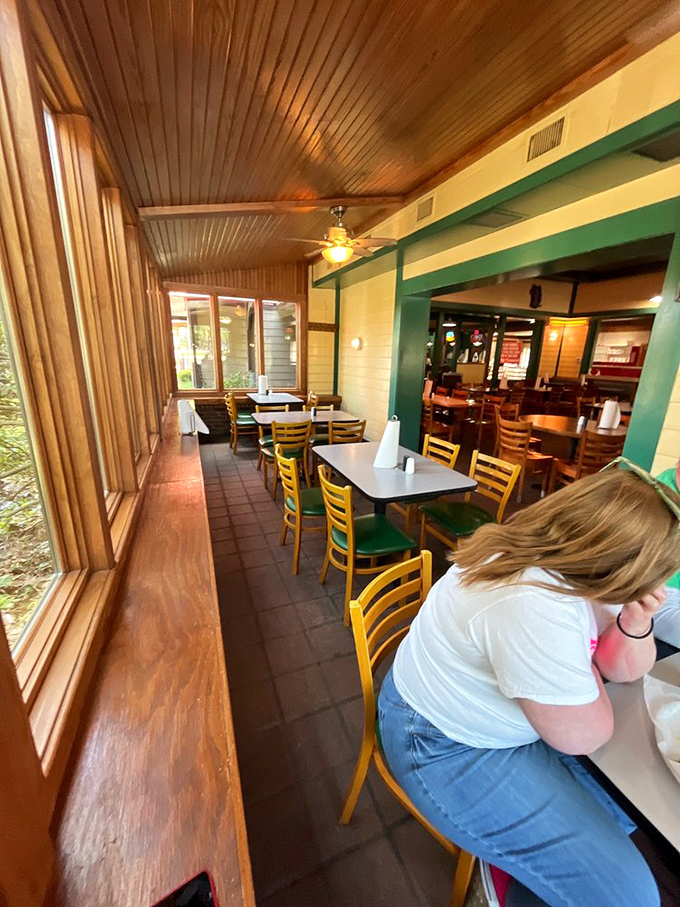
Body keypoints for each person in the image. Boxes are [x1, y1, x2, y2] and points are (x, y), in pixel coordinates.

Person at [379, 460, 680, 907]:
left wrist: (636, 620)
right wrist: (591, 665)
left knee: (625, 811)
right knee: (630, 895)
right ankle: (501, 881)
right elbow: (586, 733)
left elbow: (621, 669)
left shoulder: (561, 557)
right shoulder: (533, 601)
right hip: (442, 743)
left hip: (492, 723)